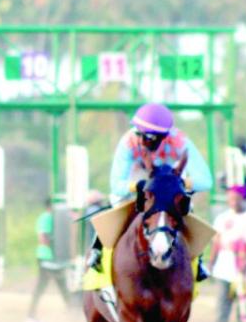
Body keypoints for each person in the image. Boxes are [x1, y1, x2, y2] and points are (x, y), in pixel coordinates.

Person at [85, 102, 213, 274]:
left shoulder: (181, 142)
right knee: (117, 203)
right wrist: (138, 186)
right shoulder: (128, 142)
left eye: (149, 138)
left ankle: (198, 261)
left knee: (186, 205)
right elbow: (116, 185)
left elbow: (206, 181)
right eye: (139, 133)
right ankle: (98, 249)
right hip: (139, 179)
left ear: (163, 136)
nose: (142, 140)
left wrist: (180, 183)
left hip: (168, 181)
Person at [209, 186, 246, 322]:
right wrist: (211, 262)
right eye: (230, 198)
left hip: (242, 266)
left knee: (243, 302)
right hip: (224, 266)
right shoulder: (222, 218)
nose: (232, 202)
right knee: (222, 302)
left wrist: (245, 263)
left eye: (236, 198)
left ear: (243, 199)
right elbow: (217, 242)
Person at [27, 197, 70, 322]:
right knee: (41, 288)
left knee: (63, 288)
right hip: (46, 259)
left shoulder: (55, 218)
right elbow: (42, 238)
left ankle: (74, 315)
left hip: (54, 260)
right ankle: (31, 316)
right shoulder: (46, 218)